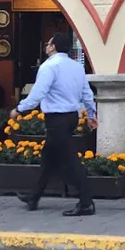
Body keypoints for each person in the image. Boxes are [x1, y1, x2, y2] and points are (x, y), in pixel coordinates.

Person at [11, 32, 96, 217]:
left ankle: (86, 202)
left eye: (48, 43)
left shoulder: (49, 66)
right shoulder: (76, 67)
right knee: (49, 157)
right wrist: (91, 114)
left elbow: (38, 93)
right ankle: (34, 196)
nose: (46, 46)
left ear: (53, 46)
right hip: (71, 116)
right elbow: (86, 93)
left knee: (69, 161)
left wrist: (19, 109)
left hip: (56, 118)